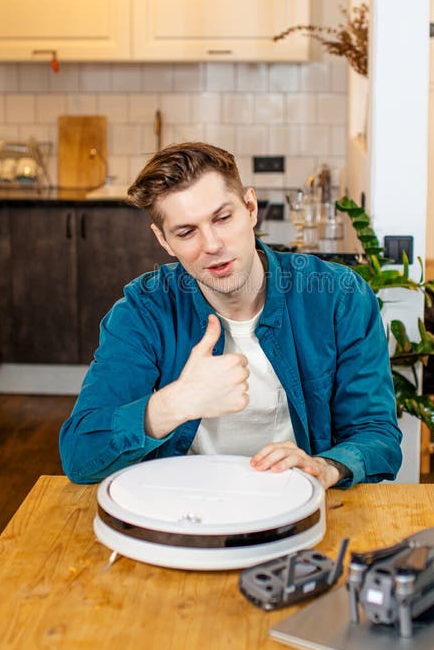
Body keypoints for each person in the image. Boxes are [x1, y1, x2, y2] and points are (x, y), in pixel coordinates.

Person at [59, 142, 402, 489]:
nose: (211, 245)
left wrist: (325, 467)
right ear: (163, 240)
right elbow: (80, 456)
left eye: (223, 218)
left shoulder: (339, 296)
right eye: (186, 232)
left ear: (250, 208)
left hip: (296, 506)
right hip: (182, 511)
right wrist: (176, 402)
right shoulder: (143, 310)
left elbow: (376, 433)